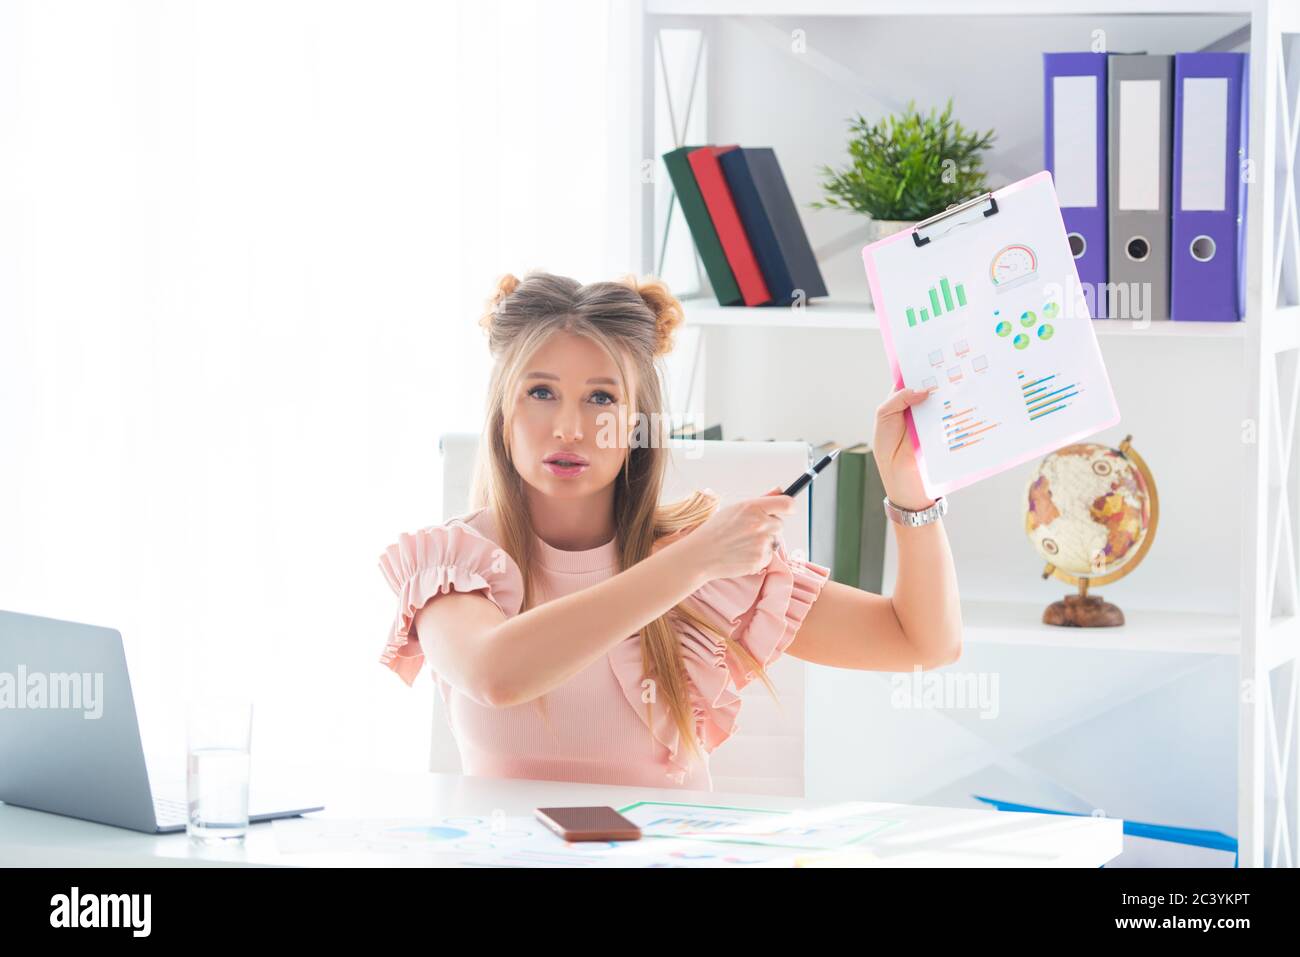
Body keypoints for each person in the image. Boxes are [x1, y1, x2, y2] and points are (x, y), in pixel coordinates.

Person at [377, 270, 961, 789]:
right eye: (541, 392)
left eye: (601, 397)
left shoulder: (706, 562)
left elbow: (920, 642)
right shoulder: (450, 563)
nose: (569, 428)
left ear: (638, 426)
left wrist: (910, 493)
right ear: (503, 413)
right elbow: (496, 675)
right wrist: (694, 563)